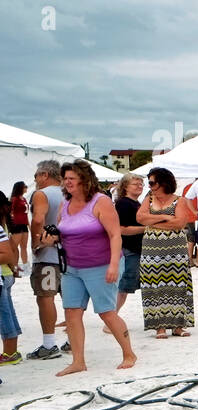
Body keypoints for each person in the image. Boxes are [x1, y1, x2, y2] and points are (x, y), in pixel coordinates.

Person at [54, 160, 136, 376]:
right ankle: (78, 361)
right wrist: (49, 238)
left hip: (101, 265)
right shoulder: (65, 203)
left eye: (72, 178)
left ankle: (129, 354)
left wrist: (114, 265)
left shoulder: (101, 202)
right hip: (72, 267)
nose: (67, 182)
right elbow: (62, 232)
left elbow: (115, 234)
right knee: (71, 312)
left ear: (84, 179)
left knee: (106, 312)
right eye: (65, 178)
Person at [138, 167, 196, 339]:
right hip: (151, 249)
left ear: (163, 182)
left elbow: (179, 223)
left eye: (152, 182)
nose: (149, 186)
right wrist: (165, 217)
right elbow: (140, 218)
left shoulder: (179, 200)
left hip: (175, 249)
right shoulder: (148, 199)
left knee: (177, 285)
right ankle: (159, 326)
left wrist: (152, 222)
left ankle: (178, 326)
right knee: (153, 284)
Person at [26, 160, 66, 359]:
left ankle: (49, 344)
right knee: (70, 298)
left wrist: (36, 242)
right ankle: (73, 340)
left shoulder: (42, 194)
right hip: (69, 254)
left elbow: (38, 219)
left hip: (48, 255)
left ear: (44, 175)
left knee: (45, 297)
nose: (35, 179)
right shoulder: (70, 193)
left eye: (36, 175)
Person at [112, 173, 147, 322]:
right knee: (124, 287)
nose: (139, 186)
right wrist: (147, 228)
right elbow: (122, 229)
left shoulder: (135, 203)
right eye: (135, 184)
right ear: (125, 186)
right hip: (129, 250)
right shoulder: (124, 204)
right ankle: (112, 319)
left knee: (125, 287)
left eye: (141, 184)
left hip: (135, 249)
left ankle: (112, 318)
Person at [0, 197, 22, 366]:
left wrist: (12, 265)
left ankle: (10, 352)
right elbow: (13, 248)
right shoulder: (5, 223)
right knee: (8, 313)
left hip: (3, 274)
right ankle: (11, 351)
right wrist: (14, 266)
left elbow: (8, 251)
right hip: (7, 272)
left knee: (4, 315)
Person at [8, 181, 30, 271]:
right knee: (13, 247)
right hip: (16, 225)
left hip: (24, 224)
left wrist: (29, 225)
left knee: (24, 246)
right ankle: (14, 266)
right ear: (20, 188)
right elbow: (10, 211)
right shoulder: (14, 199)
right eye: (25, 186)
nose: (26, 188)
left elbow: (26, 213)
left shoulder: (23, 199)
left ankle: (25, 266)